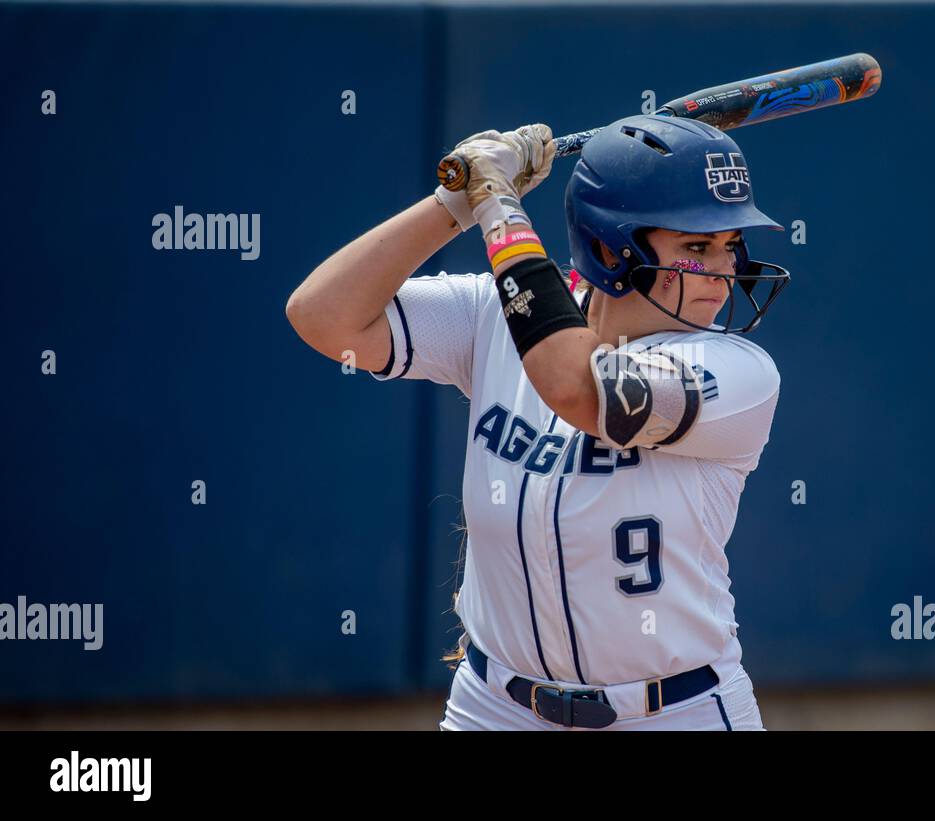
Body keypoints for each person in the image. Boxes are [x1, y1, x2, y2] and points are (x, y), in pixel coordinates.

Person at [286, 114, 790, 730]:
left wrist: (498, 206)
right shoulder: (493, 316)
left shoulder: (738, 373)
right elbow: (322, 317)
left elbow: (577, 387)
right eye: (695, 247)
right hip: (496, 709)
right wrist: (452, 203)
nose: (723, 271)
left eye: (730, 245)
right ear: (611, 248)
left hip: (675, 711)